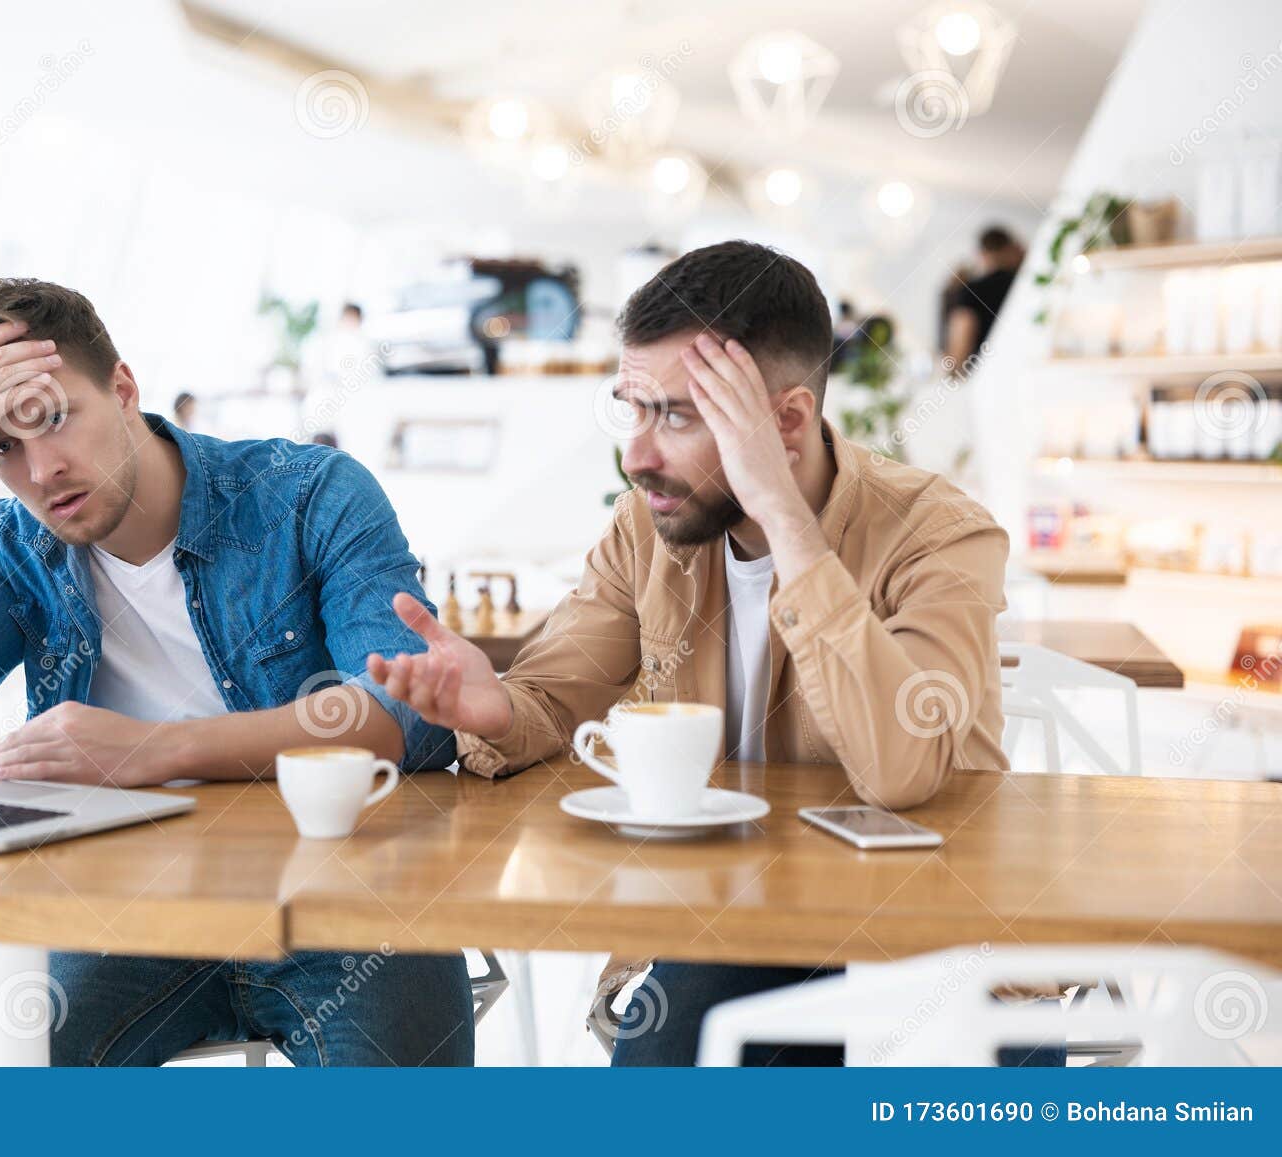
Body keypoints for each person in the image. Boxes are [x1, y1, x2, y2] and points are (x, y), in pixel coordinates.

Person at [366, 240, 1042, 1066]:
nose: (636, 455)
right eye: (634, 409)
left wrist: (782, 515)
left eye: (677, 415)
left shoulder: (940, 534)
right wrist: (497, 705)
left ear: (786, 422)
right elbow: (552, 695)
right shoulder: (646, 530)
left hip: (928, 932)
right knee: (680, 1023)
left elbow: (902, 769)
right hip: (731, 917)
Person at [0, 278, 471, 1067]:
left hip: (349, 903)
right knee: (0, 1094)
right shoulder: (14, 548)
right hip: (128, 917)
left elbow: (406, 714)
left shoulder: (309, 496)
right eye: (0, 446)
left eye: (53, 418)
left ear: (124, 388)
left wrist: (156, 750)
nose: (40, 471)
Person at [942, 226, 1025, 374]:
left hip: (982, 377)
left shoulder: (971, 291)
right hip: (1019, 370)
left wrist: (952, 374)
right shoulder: (1022, 287)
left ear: (982, 253)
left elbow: (960, 343)